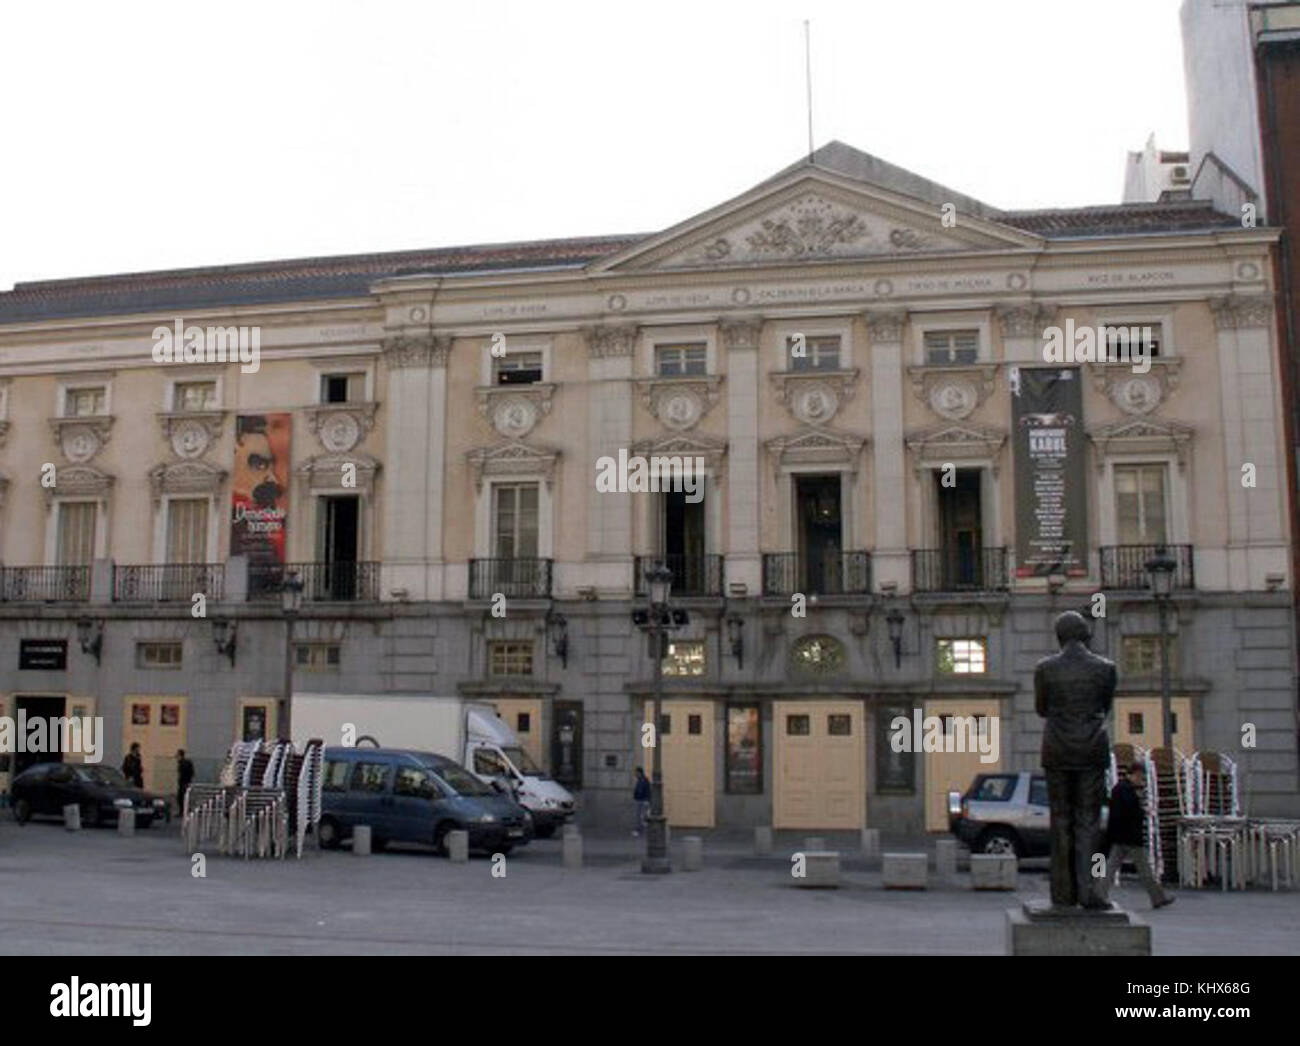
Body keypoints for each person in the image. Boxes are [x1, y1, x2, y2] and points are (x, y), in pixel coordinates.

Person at [1034, 610, 1115, 909]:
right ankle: (1089, 891)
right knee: (1089, 823)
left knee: (1060, 821)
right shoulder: (1106, 669)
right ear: (1085, 634)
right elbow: (1104, 706)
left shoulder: (1045, 669)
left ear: (1059, 636)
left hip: (1057, 747)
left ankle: (1062, 893)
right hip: (1091, 747)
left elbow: (1042, 708)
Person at [1102, 763, 1175, 909]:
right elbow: (1131, 812)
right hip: (1131, 837)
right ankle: (1157, 898)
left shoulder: (1118, 788)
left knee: (1109, 868)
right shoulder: (1127, 790)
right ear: (1134, 774)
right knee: (1145, 870)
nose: (1141, 780)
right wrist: (1142, 811)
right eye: (1140, 776)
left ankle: (1098, 894)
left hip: (1119, 836)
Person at [632, 767, 651, 836]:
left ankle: (640, 830)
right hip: (639, 800)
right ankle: (639, 830)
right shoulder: (639, 780)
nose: (635, 774)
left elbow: (647, 791)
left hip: (643, 800)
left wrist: (647, 800)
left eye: (636, 772)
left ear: (639, 773)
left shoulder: (644, 780)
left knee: (642, 817)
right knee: (639, 816)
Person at [175, 748, 195, 814]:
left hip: (183, 783)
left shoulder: (183, 763)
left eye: (177, 755)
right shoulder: (186, 762)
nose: (176, 757)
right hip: (186, 782)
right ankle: (185, 810)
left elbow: (183, 773)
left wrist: (184, 780)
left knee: (181, 797)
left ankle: (183, 811)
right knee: (183, 797)